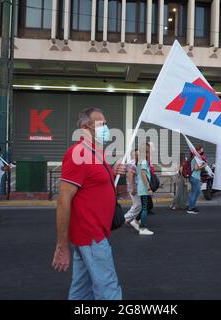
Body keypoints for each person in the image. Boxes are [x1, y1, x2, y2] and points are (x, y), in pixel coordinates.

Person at [52, 107, 125, 300]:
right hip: (91, 235)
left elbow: (95, 182)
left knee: (81, 290)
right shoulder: (78, 154)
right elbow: (63, 200)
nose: (106, 128)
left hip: (94, 234)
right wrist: (62, 245)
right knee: (108, 289)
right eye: (101, 124)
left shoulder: (96, 153)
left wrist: (114, 170)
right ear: (85, 127)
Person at [129, 142, 154, 235]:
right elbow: (143, 174)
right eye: (150, 150)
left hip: (142, 187)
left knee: (145, 207)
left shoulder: (141, 160)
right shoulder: (143, 161)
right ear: (147, 151)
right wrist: (148, 188)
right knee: (144, 208)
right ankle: (142, 229)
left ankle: (135, 221)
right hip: (143, 188)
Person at [187, 145, 206, 214]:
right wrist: (203, 165)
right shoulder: (196, 158)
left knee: (197, 192)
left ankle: (192, 206)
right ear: (198, 151)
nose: (202, 151)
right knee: (194, 193)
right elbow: (196, 168)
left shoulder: (196, 158)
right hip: (194, 177)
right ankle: (190, 208)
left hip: (195, 177)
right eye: (201, 150)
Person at [124, 149, 141, 225]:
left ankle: (131, 219)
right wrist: (132, 187)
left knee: (137, 204)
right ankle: (125, 219)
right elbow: (130, 175)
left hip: (136, 187)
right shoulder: (133, 163)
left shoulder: (134, 163)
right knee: (138, 205)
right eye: (138, 154)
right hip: (134, 187)